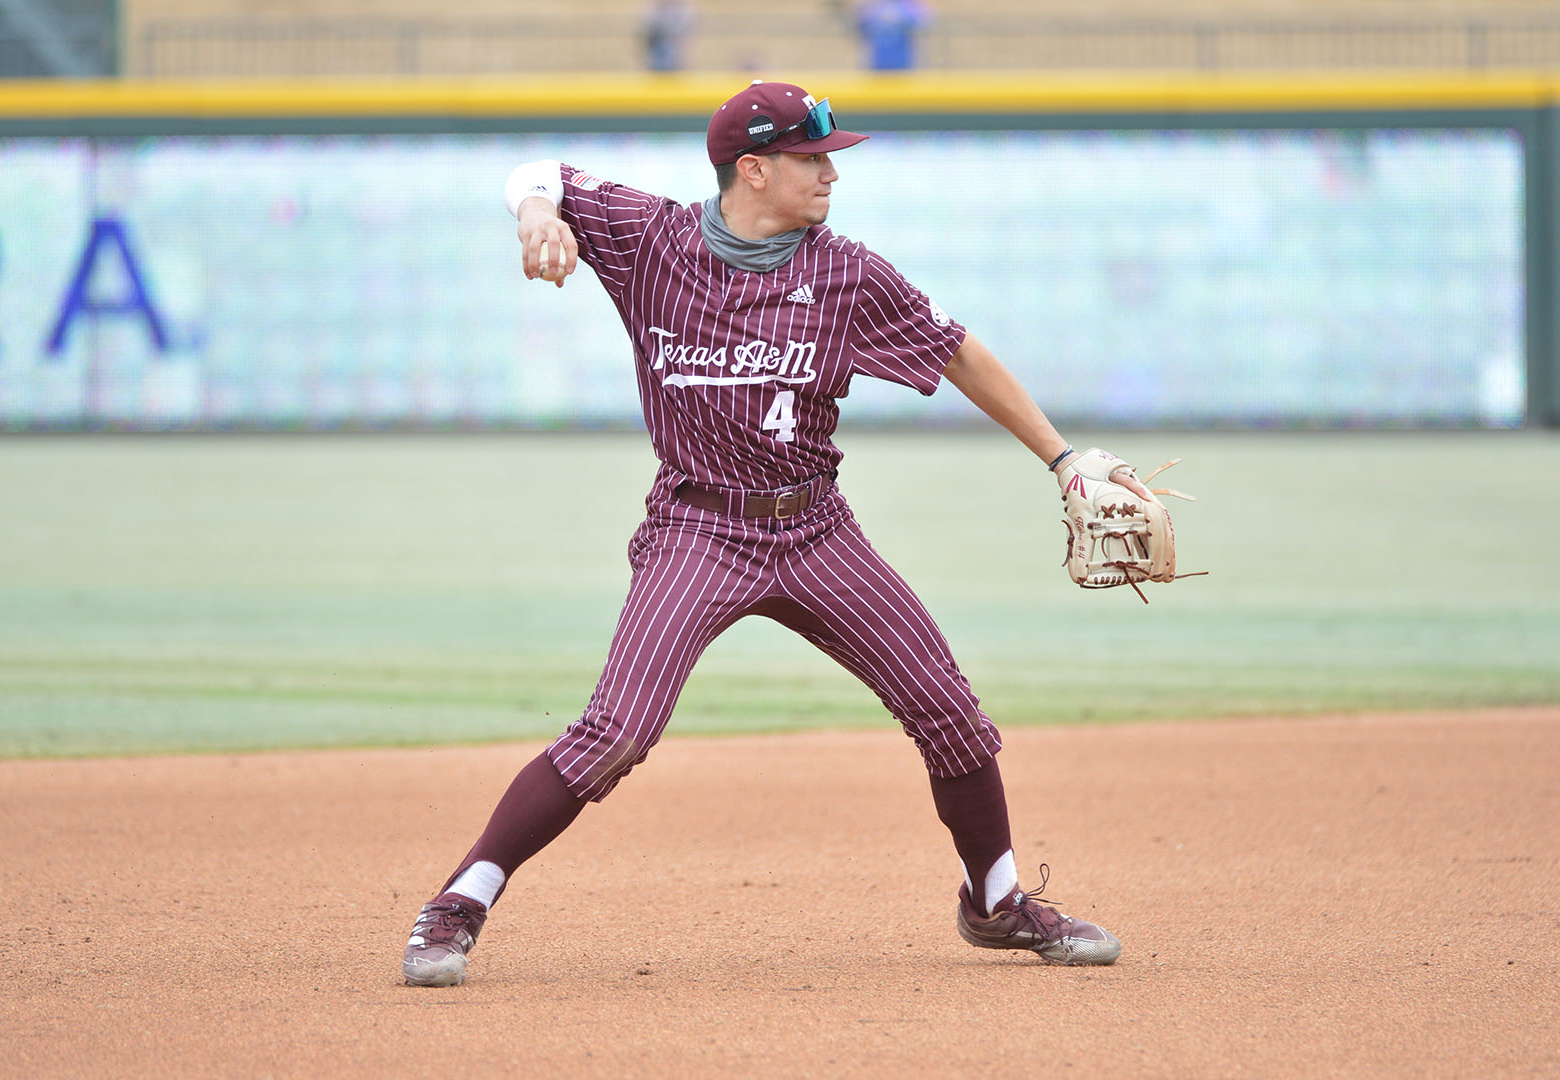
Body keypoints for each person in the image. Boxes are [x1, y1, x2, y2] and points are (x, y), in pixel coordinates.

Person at [403, 81, 1159, 988]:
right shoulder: (653, 241)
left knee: (951, 714)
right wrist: (535, 215)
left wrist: (1062, 458)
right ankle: (460, 902)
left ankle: (995, 903)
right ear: (753, 170)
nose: (831, 174)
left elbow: (956, 352)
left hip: (814, 528)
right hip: (697, 528)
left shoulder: (848, 274)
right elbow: (539, 173)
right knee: (617, 732)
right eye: (812, 158)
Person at [855, 0, 929, 72]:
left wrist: (901, 20)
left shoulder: (908, 5)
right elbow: (861, 25)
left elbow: (923, 24)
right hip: (878, 60)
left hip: (902, 60)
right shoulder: (874, 6)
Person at [641, 0, 694, 74]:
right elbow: (647, 27)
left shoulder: (680, 10)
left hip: (674, 52)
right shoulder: (655, 10)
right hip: (658, 47)